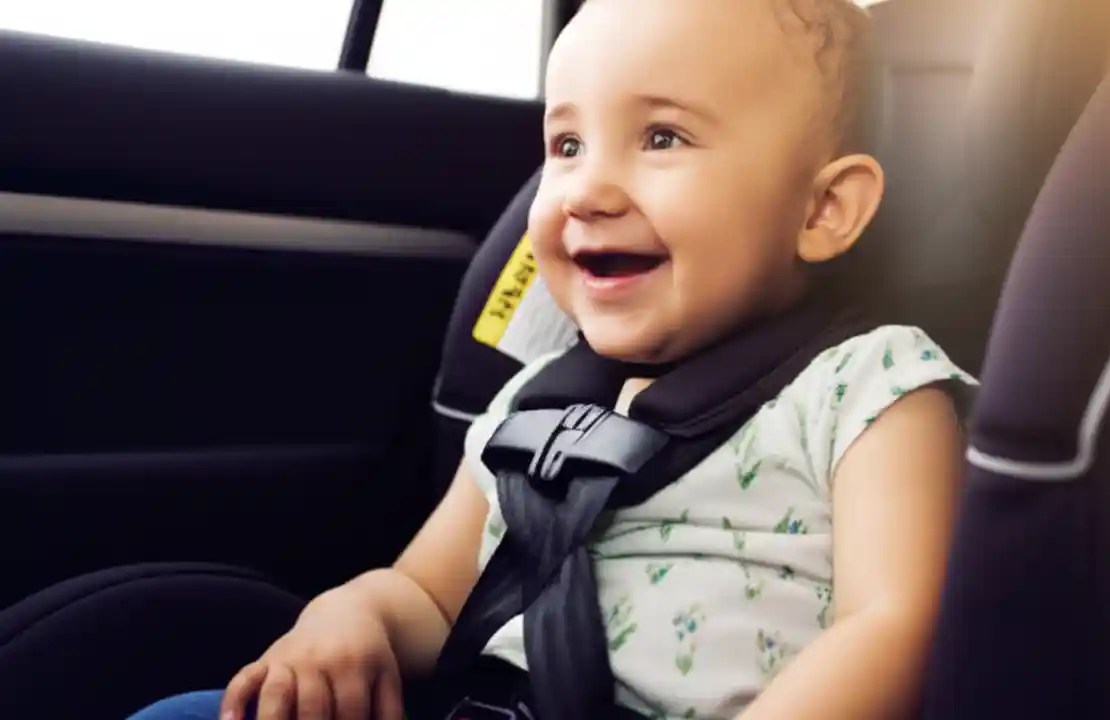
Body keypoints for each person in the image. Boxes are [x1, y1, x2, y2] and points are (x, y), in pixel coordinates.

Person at [129, 0, 976, 718]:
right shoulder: (535, 400)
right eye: (567, 146)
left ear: (823, 209)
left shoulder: (872, 388)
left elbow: (896, 624)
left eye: (663, 137)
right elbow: (426, 595)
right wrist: (352, 618)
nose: (587, 192)